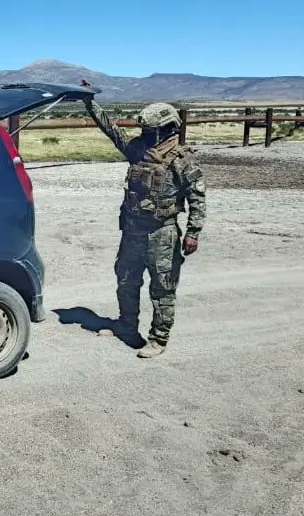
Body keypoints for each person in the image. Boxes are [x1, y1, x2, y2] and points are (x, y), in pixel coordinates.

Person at [82, 95, 206, 358]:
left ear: (167, 129)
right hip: (133, 229)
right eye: (145, 130)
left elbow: (197, 197)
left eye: (151, 130)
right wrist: (90, 103)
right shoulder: (138, 150)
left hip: (163, 232)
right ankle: (127, 326)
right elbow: (112, 130)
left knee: (162, 287)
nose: (146, 134)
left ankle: (158, 339)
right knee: (126, 280)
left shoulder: (181, 159)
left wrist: (193, 232)